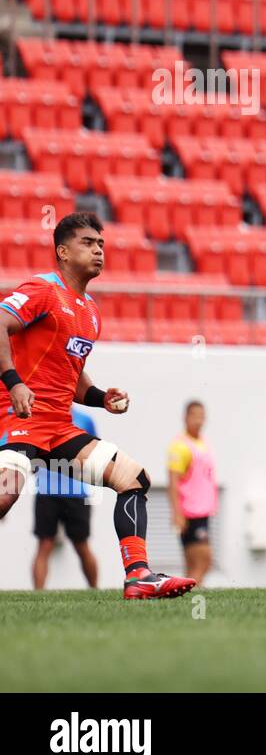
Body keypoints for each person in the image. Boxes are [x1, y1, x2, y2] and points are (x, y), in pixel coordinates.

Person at [0, 212, 194, 599]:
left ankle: (138, 575)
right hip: (20, 417)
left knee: (133, 478)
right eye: (88, 243)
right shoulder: (42, 290)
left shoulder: (89, 311)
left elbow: (72, 379)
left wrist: (101, 398)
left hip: (60, 429)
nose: (98, 250)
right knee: (5, 496)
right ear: (63, 251)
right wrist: (14, 382)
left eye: (101, 244)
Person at [31, 405, 100, 590]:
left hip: (76, 491)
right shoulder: (41, 416)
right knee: (44, 544)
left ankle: (94, 591)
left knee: (81, 545)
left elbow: (94, 450)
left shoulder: (84, 419)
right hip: (46, 490)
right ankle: (38, 595)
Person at [167, 400, 218, 586]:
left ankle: (188, 603)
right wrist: (177, 513)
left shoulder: (202, 443)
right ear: (185, 417)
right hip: (190, 512)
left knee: (194, 564)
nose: (199, 420)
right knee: (204, 560)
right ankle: (191, 597)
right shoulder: (180, 446)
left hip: (202, 511)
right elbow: (172, 482)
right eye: (195, 416)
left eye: (202, 416)